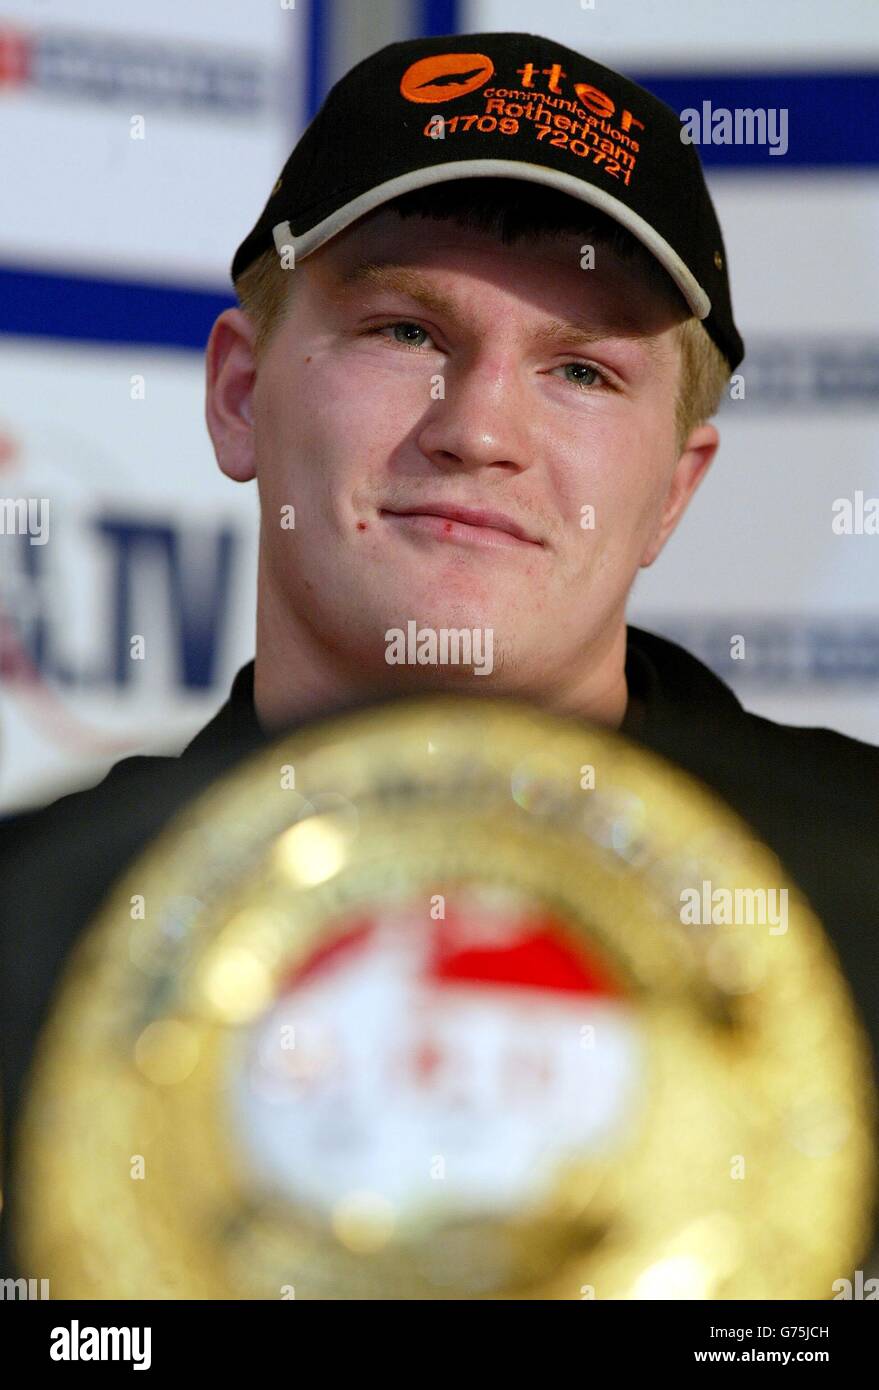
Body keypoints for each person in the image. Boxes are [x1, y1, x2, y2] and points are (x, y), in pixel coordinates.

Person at [2, 32, 878, 1272]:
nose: (478, 430)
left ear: (674, 495)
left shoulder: (861, 906)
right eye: (406, 331)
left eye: (580, 368)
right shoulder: (39, 931)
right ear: (240, 395)